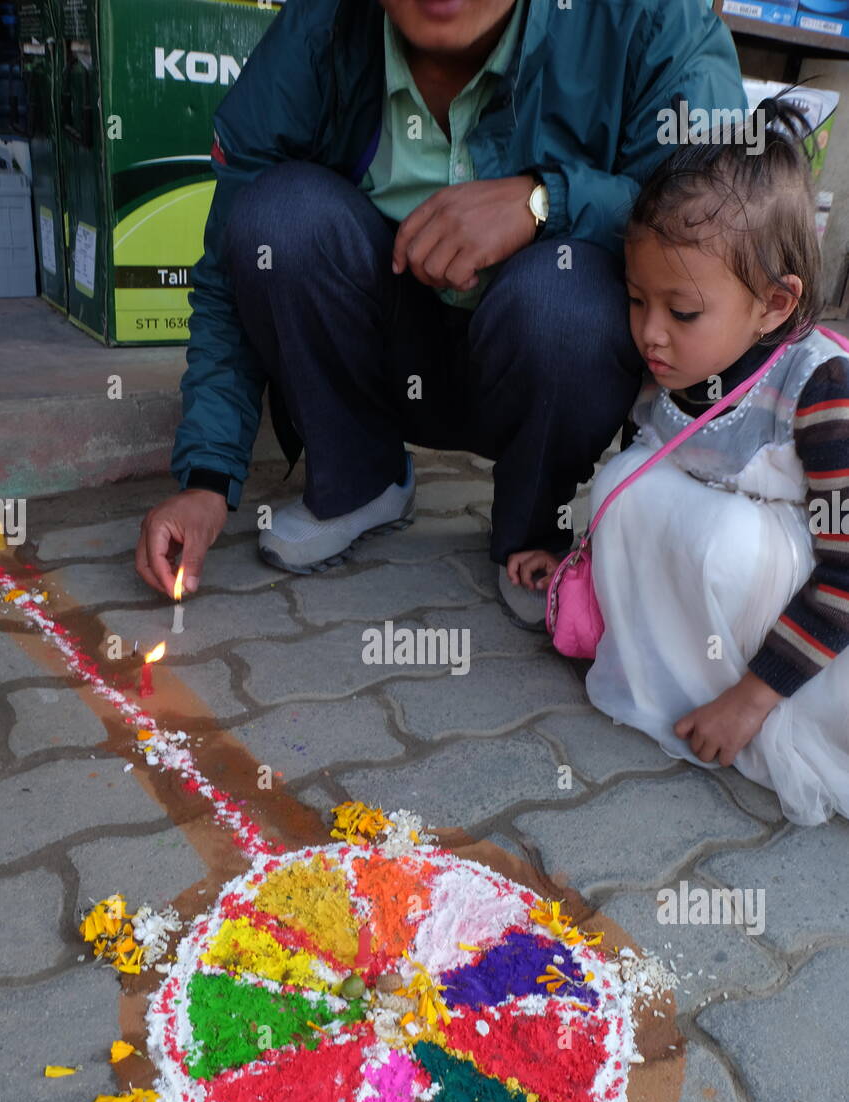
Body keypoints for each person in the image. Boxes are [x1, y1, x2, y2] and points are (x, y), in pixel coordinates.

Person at [135, 0, 745, 619]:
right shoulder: (322, 26)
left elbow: (719, 216)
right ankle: (360, 482)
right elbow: (225, 270)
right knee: (275, 221)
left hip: (545, 352)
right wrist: (208, 480)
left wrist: (544, 201)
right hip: (390, 357)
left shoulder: (651, 21)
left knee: (567, 301)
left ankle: (535, 530)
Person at [507, 100, 849, 824]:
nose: (650, 335)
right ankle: (676, 683)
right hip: (733, 628)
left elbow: (846, 570)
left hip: (811, 648)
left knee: (723, 539)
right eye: (636, 301)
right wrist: (575, 554)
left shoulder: (821, 389)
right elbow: (641, 467)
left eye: (682, 312)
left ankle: (738, 704)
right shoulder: (683, 362)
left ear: (774, 305)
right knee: (622, 486)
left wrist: (752, 700)